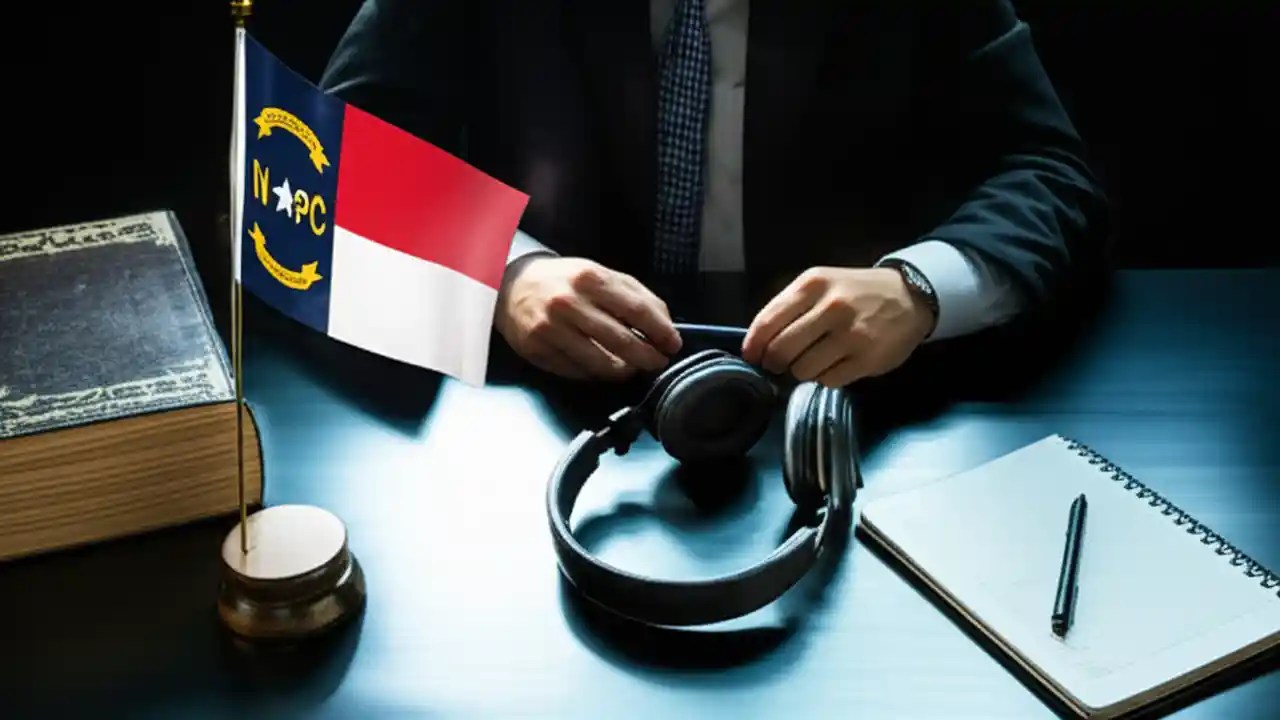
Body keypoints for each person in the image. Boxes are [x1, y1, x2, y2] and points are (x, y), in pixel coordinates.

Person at [321, 0, 1108, 387]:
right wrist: (500, 271)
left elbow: (1048, 170)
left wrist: (919, 290)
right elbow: (327, 156)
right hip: (537, 408)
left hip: (844, 409)